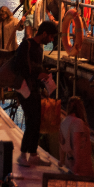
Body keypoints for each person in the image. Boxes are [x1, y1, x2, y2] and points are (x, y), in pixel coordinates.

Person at [11, 20, 59, 167]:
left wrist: (42, 84)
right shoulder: (27, 45)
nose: (51, 40)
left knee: (35, 121)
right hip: (25, 89)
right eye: (50, 37)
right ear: (44, 33)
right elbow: (21, 67)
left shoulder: (38, 48)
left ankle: (32, 155)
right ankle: (24, 155)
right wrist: (39, 74)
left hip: (34, 88)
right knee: (32, 122)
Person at [0, 6, 26, 120]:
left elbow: (20, 28)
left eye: (3, 15)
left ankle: (11, 91)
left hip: (10, 53)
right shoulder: (0, 22)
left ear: (7, 14)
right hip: (0, 53)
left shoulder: (13, 21)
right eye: (1, 15)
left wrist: (22, 22)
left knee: (11, 77)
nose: (2, 17)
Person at [59, 96, 93, 176]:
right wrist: (76, 166)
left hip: (69, 161)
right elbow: (76, 144)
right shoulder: (78, 123)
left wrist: (61, 160)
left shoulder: (64, 122)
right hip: (82, 165)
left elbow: (61, 143)